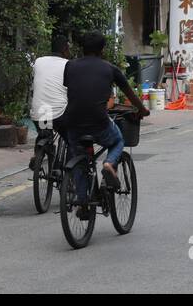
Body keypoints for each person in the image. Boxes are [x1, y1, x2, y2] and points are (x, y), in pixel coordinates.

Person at [62, 32, 149, 214]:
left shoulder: (69, 66)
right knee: (118, 140)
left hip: (72, 122)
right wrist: (142, 110)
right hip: (98, 121)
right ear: (102, 50)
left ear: (82, 48)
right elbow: (130, 94)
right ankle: (109, 164)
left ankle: (83, 202)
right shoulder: (110, 69)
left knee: (78, 159)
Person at [29, 34, 71, 171]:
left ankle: (38, 153)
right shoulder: (68, 65)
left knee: (45, 132)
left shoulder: (39, 61)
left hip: (41, 111)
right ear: (65, 49)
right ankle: (66, 169)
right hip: (60, 115)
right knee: (72, 138)